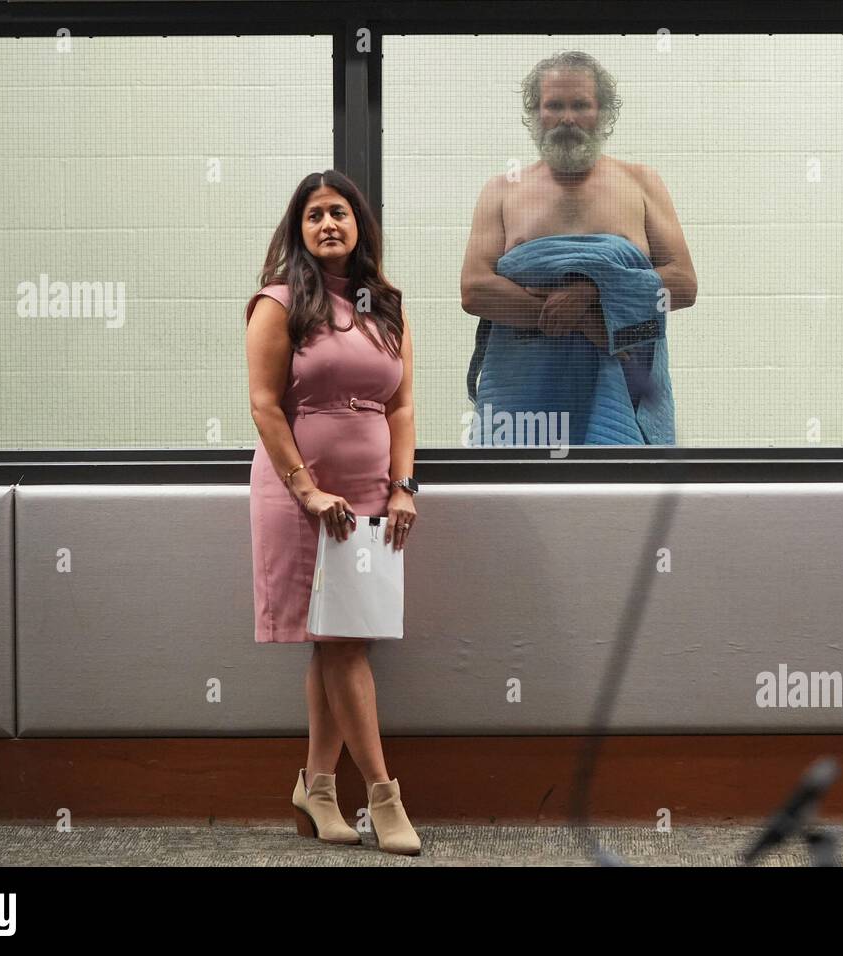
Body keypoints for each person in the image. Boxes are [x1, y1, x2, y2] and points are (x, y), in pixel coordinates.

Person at [244, 170, 421, 855]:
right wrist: (307, 489)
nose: (327, 224)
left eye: (339, 213)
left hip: (373, 493)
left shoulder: (388, 307)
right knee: (340, 641)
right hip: (301, 494)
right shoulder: (279, 301)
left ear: (359, 226)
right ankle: (383, 794)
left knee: (344, 637)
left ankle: (317, 787)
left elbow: (402, 405)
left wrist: (405, 485)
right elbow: (264, 404)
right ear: (299, 229)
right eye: (314, 214)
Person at [461, 50, 697, 446]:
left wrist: (594, 290)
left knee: (615, 506)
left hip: (619, 387)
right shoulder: (501, 190)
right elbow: (475, 289)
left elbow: (682, 283)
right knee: (514, 505)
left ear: (602, 112)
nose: (567, 118)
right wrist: (572, 317)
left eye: (580, 105)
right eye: (554, 105)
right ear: (535, 112)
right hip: (522, 397)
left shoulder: (641, 182)